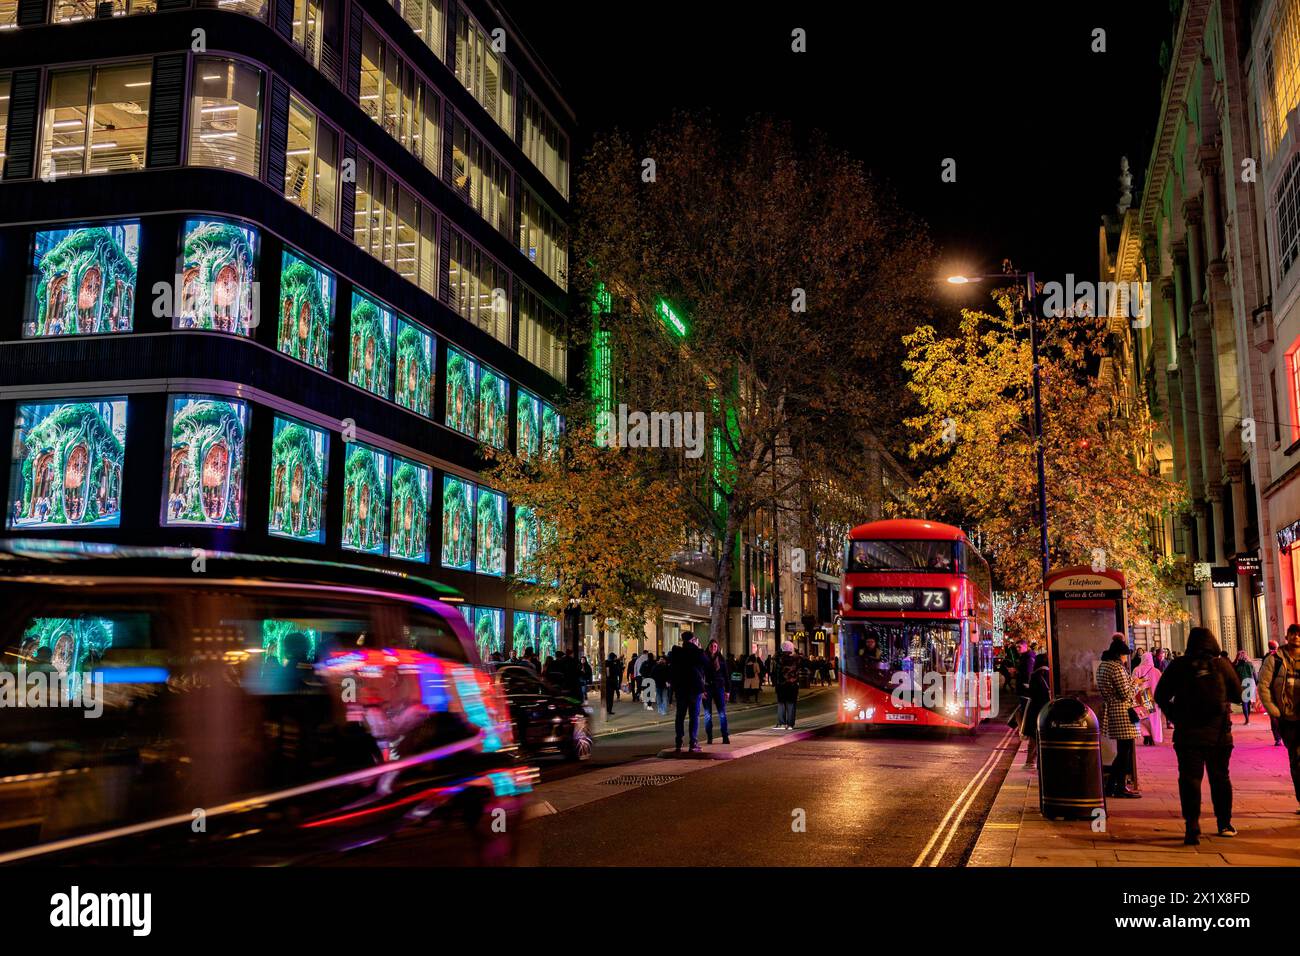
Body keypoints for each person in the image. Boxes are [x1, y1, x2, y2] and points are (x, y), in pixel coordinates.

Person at [1154, 627, 1243, 845]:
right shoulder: (1222, 665)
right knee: (1220, 778)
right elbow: (1239, 695)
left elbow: (1160, 695)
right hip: (1219, 734)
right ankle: (1224, 823)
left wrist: (1175, 715)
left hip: (1187, 735)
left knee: (1190, 780)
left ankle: (1192, 826)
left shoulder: (1179, 665)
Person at [1259, 625, 1300, 811]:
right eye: (1293, 634)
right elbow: (1264, 686)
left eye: (1299, 634)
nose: (1296, 637)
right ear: (1287, 636)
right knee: (1296, 759)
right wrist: (1274, 711)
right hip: (1288, 719)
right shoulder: (1274, 660)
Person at [1096, 634, 1141, 799]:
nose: (1125, 659)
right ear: (1119, 655)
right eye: (1124, 656)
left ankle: (1111, 786)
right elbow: (1124, 693)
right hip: (1123, 711)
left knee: (1123, 751)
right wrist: (1135, 684)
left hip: (1114, 710)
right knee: (1124, 752)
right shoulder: (1116, 668)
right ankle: (1119, 786)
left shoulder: (1103, 666)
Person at [668, 632, 707, 753]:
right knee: (694, 716)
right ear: (693, 639)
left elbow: (672, 668)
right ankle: (693, 742)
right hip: (694, 688)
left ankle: (678, 742)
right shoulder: (697, 652)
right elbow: (706, 662)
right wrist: (698, 647)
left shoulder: (677, 652)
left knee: (680, 716)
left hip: (681, 688)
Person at [1022, 652, 1051, 768]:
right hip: (1046, 708)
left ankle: (1030, 761)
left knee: (1034, 737)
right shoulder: (1049, 673)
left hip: (1035, 709)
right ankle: (1039, 761)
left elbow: (1032, 693)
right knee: (1041, 736)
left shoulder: (1035, 675)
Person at [702, 639, 731, 745]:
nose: (713, 648)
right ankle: (709, 737)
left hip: (719, 687)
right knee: (707, 714)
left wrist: (727, 690)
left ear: (717, 647)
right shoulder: (704, 658)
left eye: (715, 646)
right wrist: (702, 690)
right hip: (707, 687)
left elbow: (726, 675)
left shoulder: (721, 659)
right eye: (711, 646)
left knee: (722, 713)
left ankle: (725, 736)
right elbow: (701, 674)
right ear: (708, 647)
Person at [1132, 650, 1164, 745]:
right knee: (1154, 719)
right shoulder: (1157, 671)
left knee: (1143, 718)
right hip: (1155, 696)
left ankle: (1147, 736)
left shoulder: (1137, 669)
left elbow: (1133, 683)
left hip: (1143, 695)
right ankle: (1155, 737)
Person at [774, 640, 802, 730]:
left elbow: (775, 670)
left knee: (781, 704)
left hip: (781, 685)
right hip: (792, 685)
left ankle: (782, 723)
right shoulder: (796, 659)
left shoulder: (779, 659)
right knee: (791, 704)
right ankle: (790, 724)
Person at [1264, 640, 1284, 746]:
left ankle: (1278, 738)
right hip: (1281, 690)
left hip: (1271, 691)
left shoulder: (1266, 659)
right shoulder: (1283, 657)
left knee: (1274, 716)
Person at [1233, 651, 1257, 725]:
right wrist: (1256, 683)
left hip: (1243, 683)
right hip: (1251, 682)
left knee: (1244, 702)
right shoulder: (1250, 664)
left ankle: (1247, 719)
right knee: (1248, 701)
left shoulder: (1236, 666)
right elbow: (1255, 675)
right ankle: (1248, 718)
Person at [602, 652, 622, 717]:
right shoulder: (614, 663)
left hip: (607, 682)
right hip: (612, 681)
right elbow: (618, 672)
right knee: (610, 696)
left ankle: (607, 709)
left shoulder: (606, 662)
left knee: (607, 696)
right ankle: (609, 710)